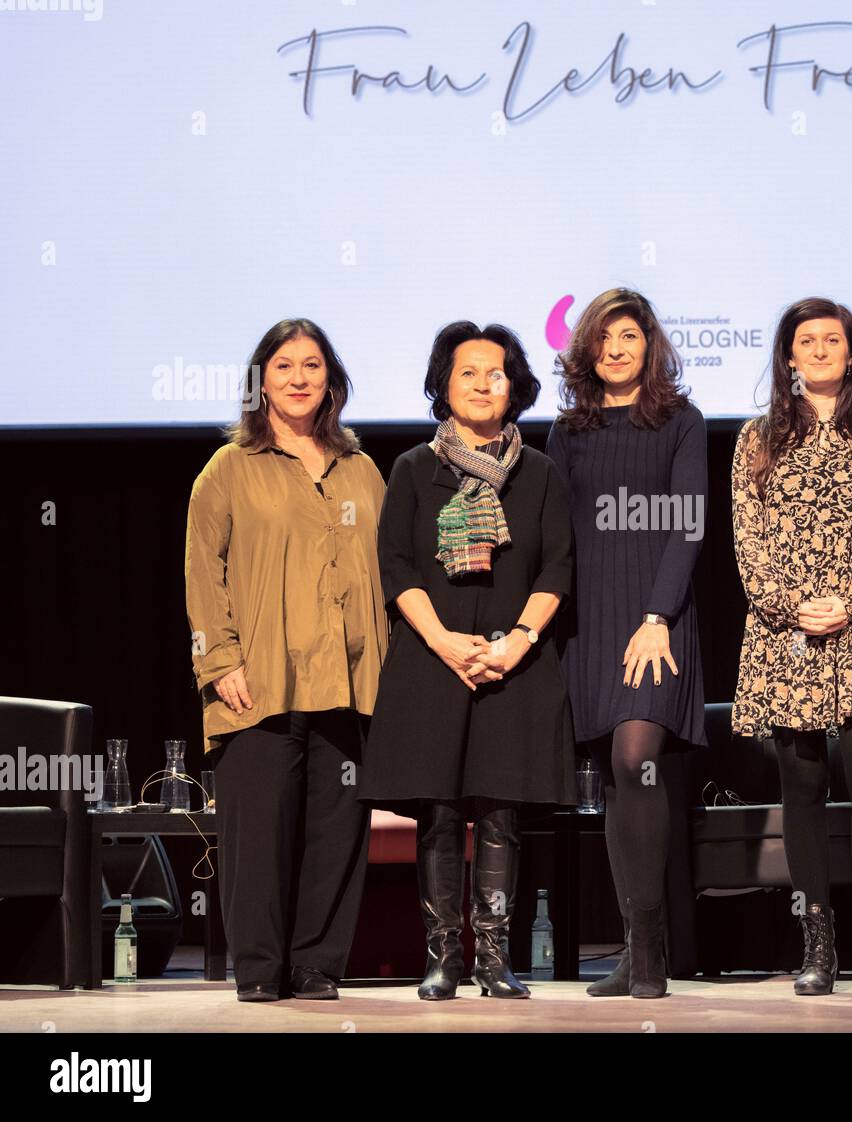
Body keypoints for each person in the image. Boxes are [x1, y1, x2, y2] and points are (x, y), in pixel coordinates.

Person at [358, 321, 577, 1000]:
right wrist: (445, 642)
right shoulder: (413, 470)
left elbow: (557, 568)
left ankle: (494, 960)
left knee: (504, 814)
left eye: (496, 373)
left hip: (515, 663)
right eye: (468, 373)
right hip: (433, 662)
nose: (484, 385)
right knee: (442, 812)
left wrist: (516, 642)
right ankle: (443, 959)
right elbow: (395, 567)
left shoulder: (539, 473)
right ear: (442, 387)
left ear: (515, 386)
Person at [185, 318, 387, 1002]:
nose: (299, 378)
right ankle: (260, 969)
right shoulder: (228, 469)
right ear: (260, 380)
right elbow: (201, 573)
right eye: (283, 367)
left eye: (312, 365)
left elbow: (388, 572)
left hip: (346, 680)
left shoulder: (361, 469)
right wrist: (219, 662)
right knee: (258, 836)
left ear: (331, 378)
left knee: (335, 833)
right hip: (258, 680)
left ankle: (315, 965)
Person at [731, 297, 852, 997]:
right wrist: (792, 607)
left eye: (831, 339)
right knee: (803, 789)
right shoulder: (758, 438)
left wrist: (851, 603)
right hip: (786, 635)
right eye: (805, 340)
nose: (818, 349)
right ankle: (819, 949)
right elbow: (747, 542)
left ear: (851, 352)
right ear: (787, 357)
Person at [546, 288, 707, 999]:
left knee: (636, 757)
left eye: (630, 337)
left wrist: (656, 616)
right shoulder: (566, 432)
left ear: (651, 346)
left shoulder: (681, 421)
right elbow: (557, 535)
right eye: (604, 337)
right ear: (587, 348)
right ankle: (637, 944)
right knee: (614, 783)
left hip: (655, 621)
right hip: (588, 623)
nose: (616, 349)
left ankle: (648, 950)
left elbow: (690, 525)